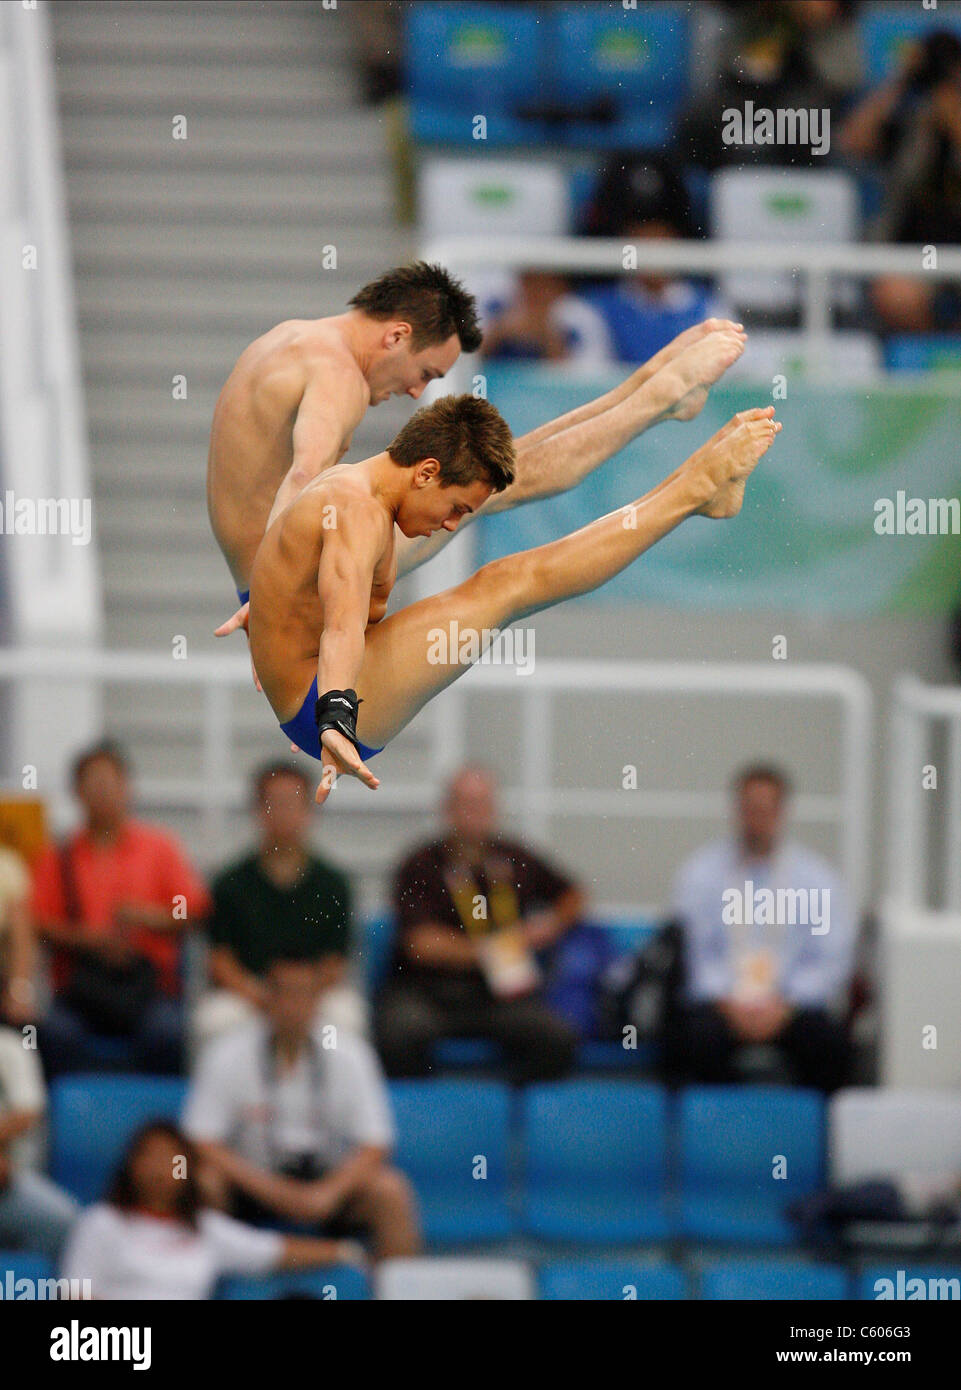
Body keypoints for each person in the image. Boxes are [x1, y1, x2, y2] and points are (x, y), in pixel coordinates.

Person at [245, 391, 779, 803]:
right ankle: (694, 488)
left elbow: (306, 581)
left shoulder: (356, 489)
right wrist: (334, 715)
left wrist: (271, 605)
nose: (452, 524)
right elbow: (341, 622)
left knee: (505, 581)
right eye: (455, 508)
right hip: (324, 698)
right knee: (509, 584)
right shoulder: (356, 509)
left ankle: (693, 480)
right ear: (427, 471)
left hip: (313, 688)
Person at [208, 259, 749, 658]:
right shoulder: (340, 377)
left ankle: (650, 390)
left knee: (496, 473)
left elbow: (290, 473)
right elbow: (304, 473)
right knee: (497, 484)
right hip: (289, 582)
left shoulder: (294, 340)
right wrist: (269, 590)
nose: (417, 391)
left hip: (286, 570)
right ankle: (653, 397)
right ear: (397, 336)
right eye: (425, 374)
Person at [183, 953, 419, 1263]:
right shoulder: (227, 1052)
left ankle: (394, 1291)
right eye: (283, 992)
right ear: (266, 995)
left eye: (303, 993)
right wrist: (273, 1190)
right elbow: (200, 1140)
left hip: (327, 1188)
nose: (292, 1004)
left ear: (319, 998)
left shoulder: (350, 1052)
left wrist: (329, 1193)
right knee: (204, 1182)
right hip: (251, 1185)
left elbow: (376, 1142)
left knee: (390, 1191)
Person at [377, 766, 582, 1083]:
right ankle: (431, 1113)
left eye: (483, 804)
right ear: (447, 809)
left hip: (498, 995)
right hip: (429, 992)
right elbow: (421, 945)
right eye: (465, 804)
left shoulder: (514, 857)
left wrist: (548, 926)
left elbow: (573, 895)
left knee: (558, 1039)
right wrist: (495, 950)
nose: (474, 813)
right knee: (397, 1035)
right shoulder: (420, 864)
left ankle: (500, 1108)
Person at [665, 764, 855, 1092]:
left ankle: (812, 1134)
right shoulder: (701, 873)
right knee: (692, 1040)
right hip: (722, 1005)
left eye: (765, 810)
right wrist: (728, 1004)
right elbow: (695, 952)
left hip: (790, 1004)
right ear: (736, 811)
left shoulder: (816, 878)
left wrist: (784, 1007)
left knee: (830, 1045)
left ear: (782, 812)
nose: (757, 819)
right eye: (749, 809)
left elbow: (828, 957)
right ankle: (715, 1131)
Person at [31, 742, 211, 1076]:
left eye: (110, 782)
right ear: (77, 792)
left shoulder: (160, 848)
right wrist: (92, 940)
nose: (102, 793)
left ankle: (158, 1124)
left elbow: (194, 911)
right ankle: (74, 1121)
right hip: (81, 988)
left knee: (168, 1034)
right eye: (92, 783)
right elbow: (39, 924)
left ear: (127, 787)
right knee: (55, 1035)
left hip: (150, 987)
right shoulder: (58, 856)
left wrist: (149, 917)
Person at [60, 1121, 358, 1300]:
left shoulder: (206, 1230)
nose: (159, 1169)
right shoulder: (100, 1223)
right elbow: (76, 1294)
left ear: (187, 1171)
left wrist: (345, 1251)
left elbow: (274, 1251)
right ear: (131, 1166)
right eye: (149, 1157)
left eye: (171, 1159)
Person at [194, 761, 366, 1049]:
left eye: (292, 802)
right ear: (258, 810)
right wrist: (263, 997)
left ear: (309, 810)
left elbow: (336, 961)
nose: (284, 812)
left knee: (346, 1020)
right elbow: (220, 959)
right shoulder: (230, 883)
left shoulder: (333, 884)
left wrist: (298, 997)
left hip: (313, 998)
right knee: (215, 1022)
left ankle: (334, 1094)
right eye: (275, 803)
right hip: (250, 997)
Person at [840, 28, 961, 333]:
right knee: (895, 295)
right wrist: (904, 80)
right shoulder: (913, 119)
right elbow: (852, 139)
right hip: (914, 255)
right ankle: (931, 360)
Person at [0, 1020, 78, 1262]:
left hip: (9, 1183)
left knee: (62, 1219)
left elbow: (28, 1113)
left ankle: (29, 1287)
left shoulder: (10, 1044)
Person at [0, 842, 37, 1028]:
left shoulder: (6, 866)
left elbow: (21, 939)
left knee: (19, 1052)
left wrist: (19, 991)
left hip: (3, 988)